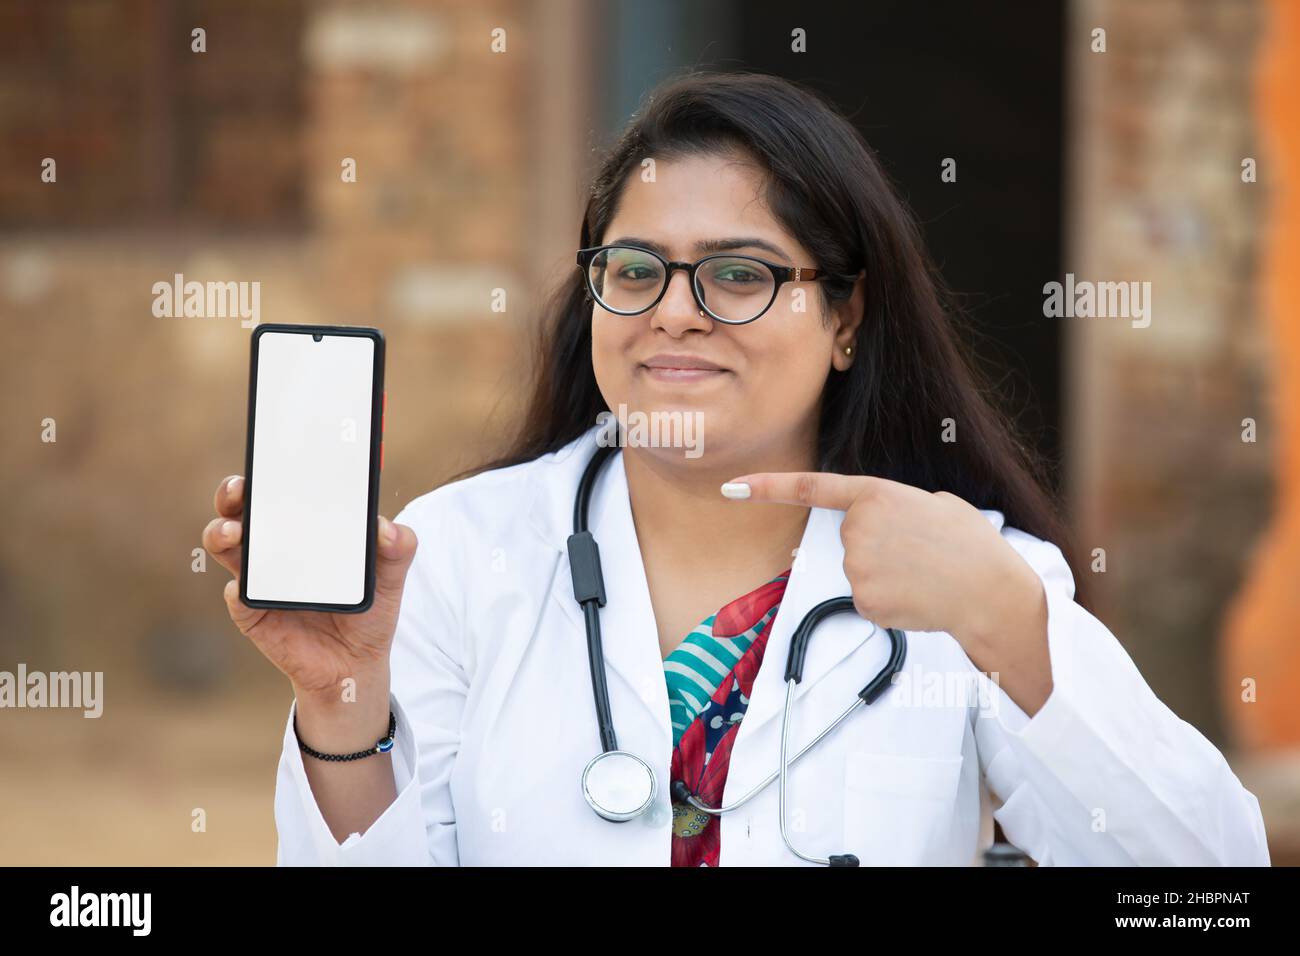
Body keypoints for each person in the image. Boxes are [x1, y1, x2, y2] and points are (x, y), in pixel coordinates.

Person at [203, 71, 1270, 866]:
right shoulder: (455, 554)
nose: (674, 310)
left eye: (737, 274)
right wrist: (341, 698)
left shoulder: (966, 575)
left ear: (845, 317)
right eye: (634, 269)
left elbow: (1202, 877)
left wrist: (1005, 619)